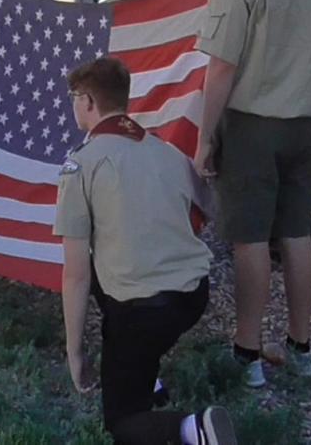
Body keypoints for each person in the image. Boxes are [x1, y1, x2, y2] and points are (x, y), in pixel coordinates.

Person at [193, 0, 311, 388]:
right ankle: (301, 347)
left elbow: (222, 65)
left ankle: (247, 352)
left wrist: (205, 135)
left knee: (250, 240)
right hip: (307, 125)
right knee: (297, 235)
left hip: (255, 126)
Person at [54, 57, 236, 445]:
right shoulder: (166, 151)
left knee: (123, 421)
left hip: (143, 309)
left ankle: (196, 429)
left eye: (74, 98)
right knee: (114, 275)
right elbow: (206, 204)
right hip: (192, 293)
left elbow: (75, 274)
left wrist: (74, 352)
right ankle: (147, 376)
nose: (72, 105)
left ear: (88, 101)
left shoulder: (80, 165)